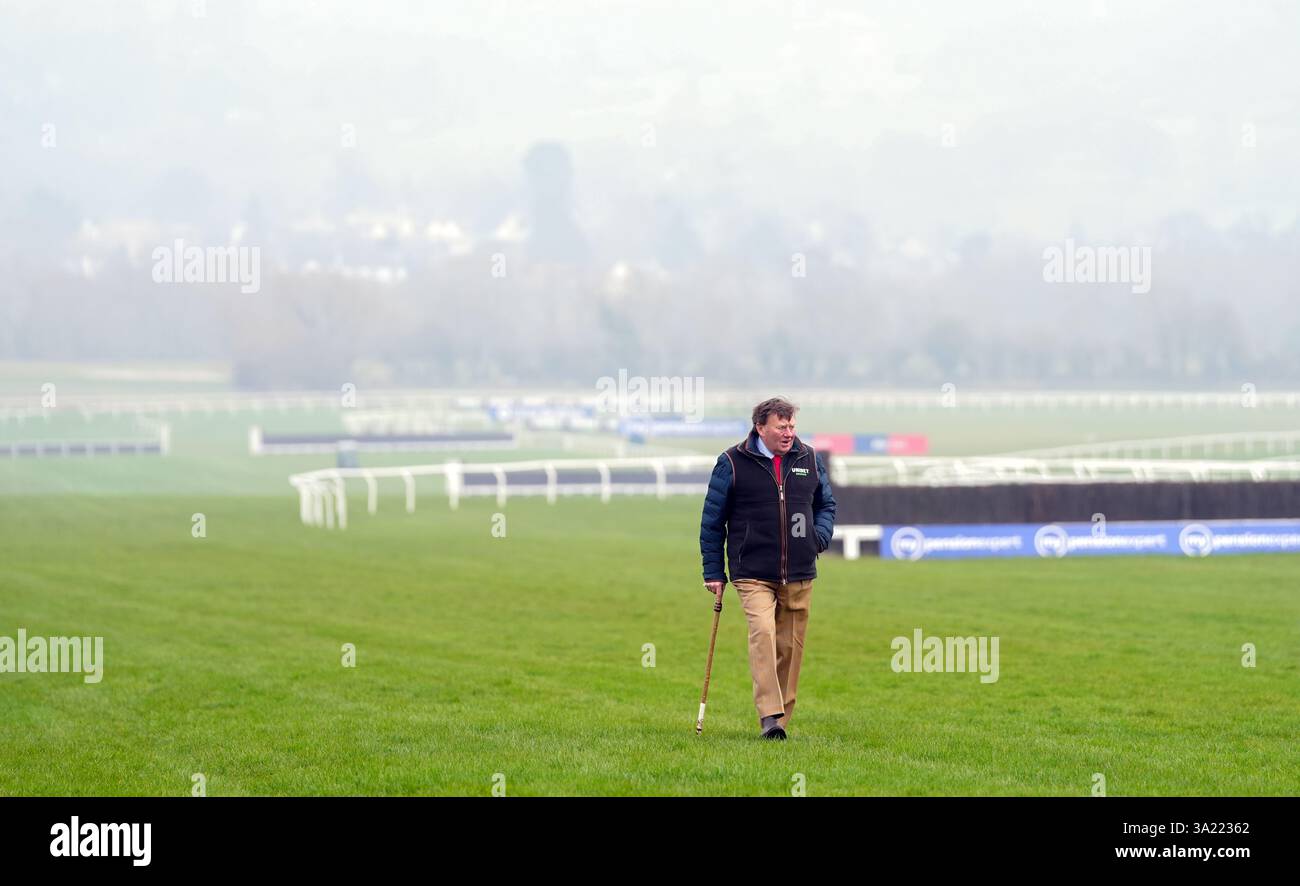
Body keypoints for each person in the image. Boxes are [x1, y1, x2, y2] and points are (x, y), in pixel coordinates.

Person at [699, 397, 836, 739]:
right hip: (752, 571)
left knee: (790, 647)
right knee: (763, 632)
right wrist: (713, 571)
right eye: (781, 426)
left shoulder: (809, 459)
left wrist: (818, 538)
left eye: (792, 426)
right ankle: (769, 717)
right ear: (761, 427)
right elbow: (712, 521)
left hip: (800, 571)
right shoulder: (731, 462)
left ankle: (781, 722)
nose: (789, 433)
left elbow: (826, 505)